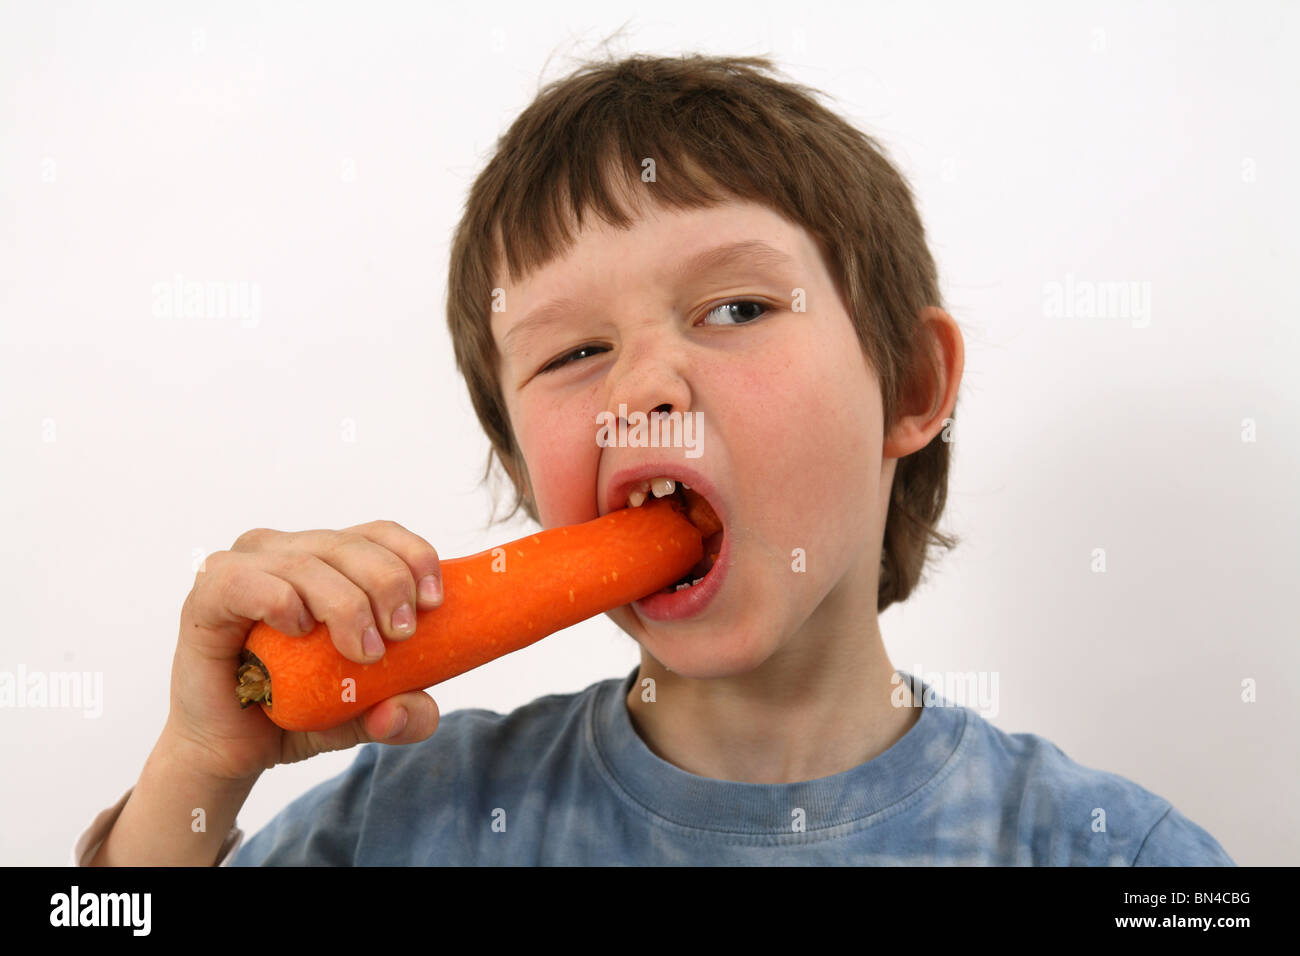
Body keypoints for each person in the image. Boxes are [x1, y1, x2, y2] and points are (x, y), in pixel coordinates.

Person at [74, 53, 1234, 866]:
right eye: (574, 350)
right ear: (527, 469)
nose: (641, 387)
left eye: (734, 308)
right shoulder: (406, 821)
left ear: (911, 388)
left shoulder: (1104, 851)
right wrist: (199, 762)